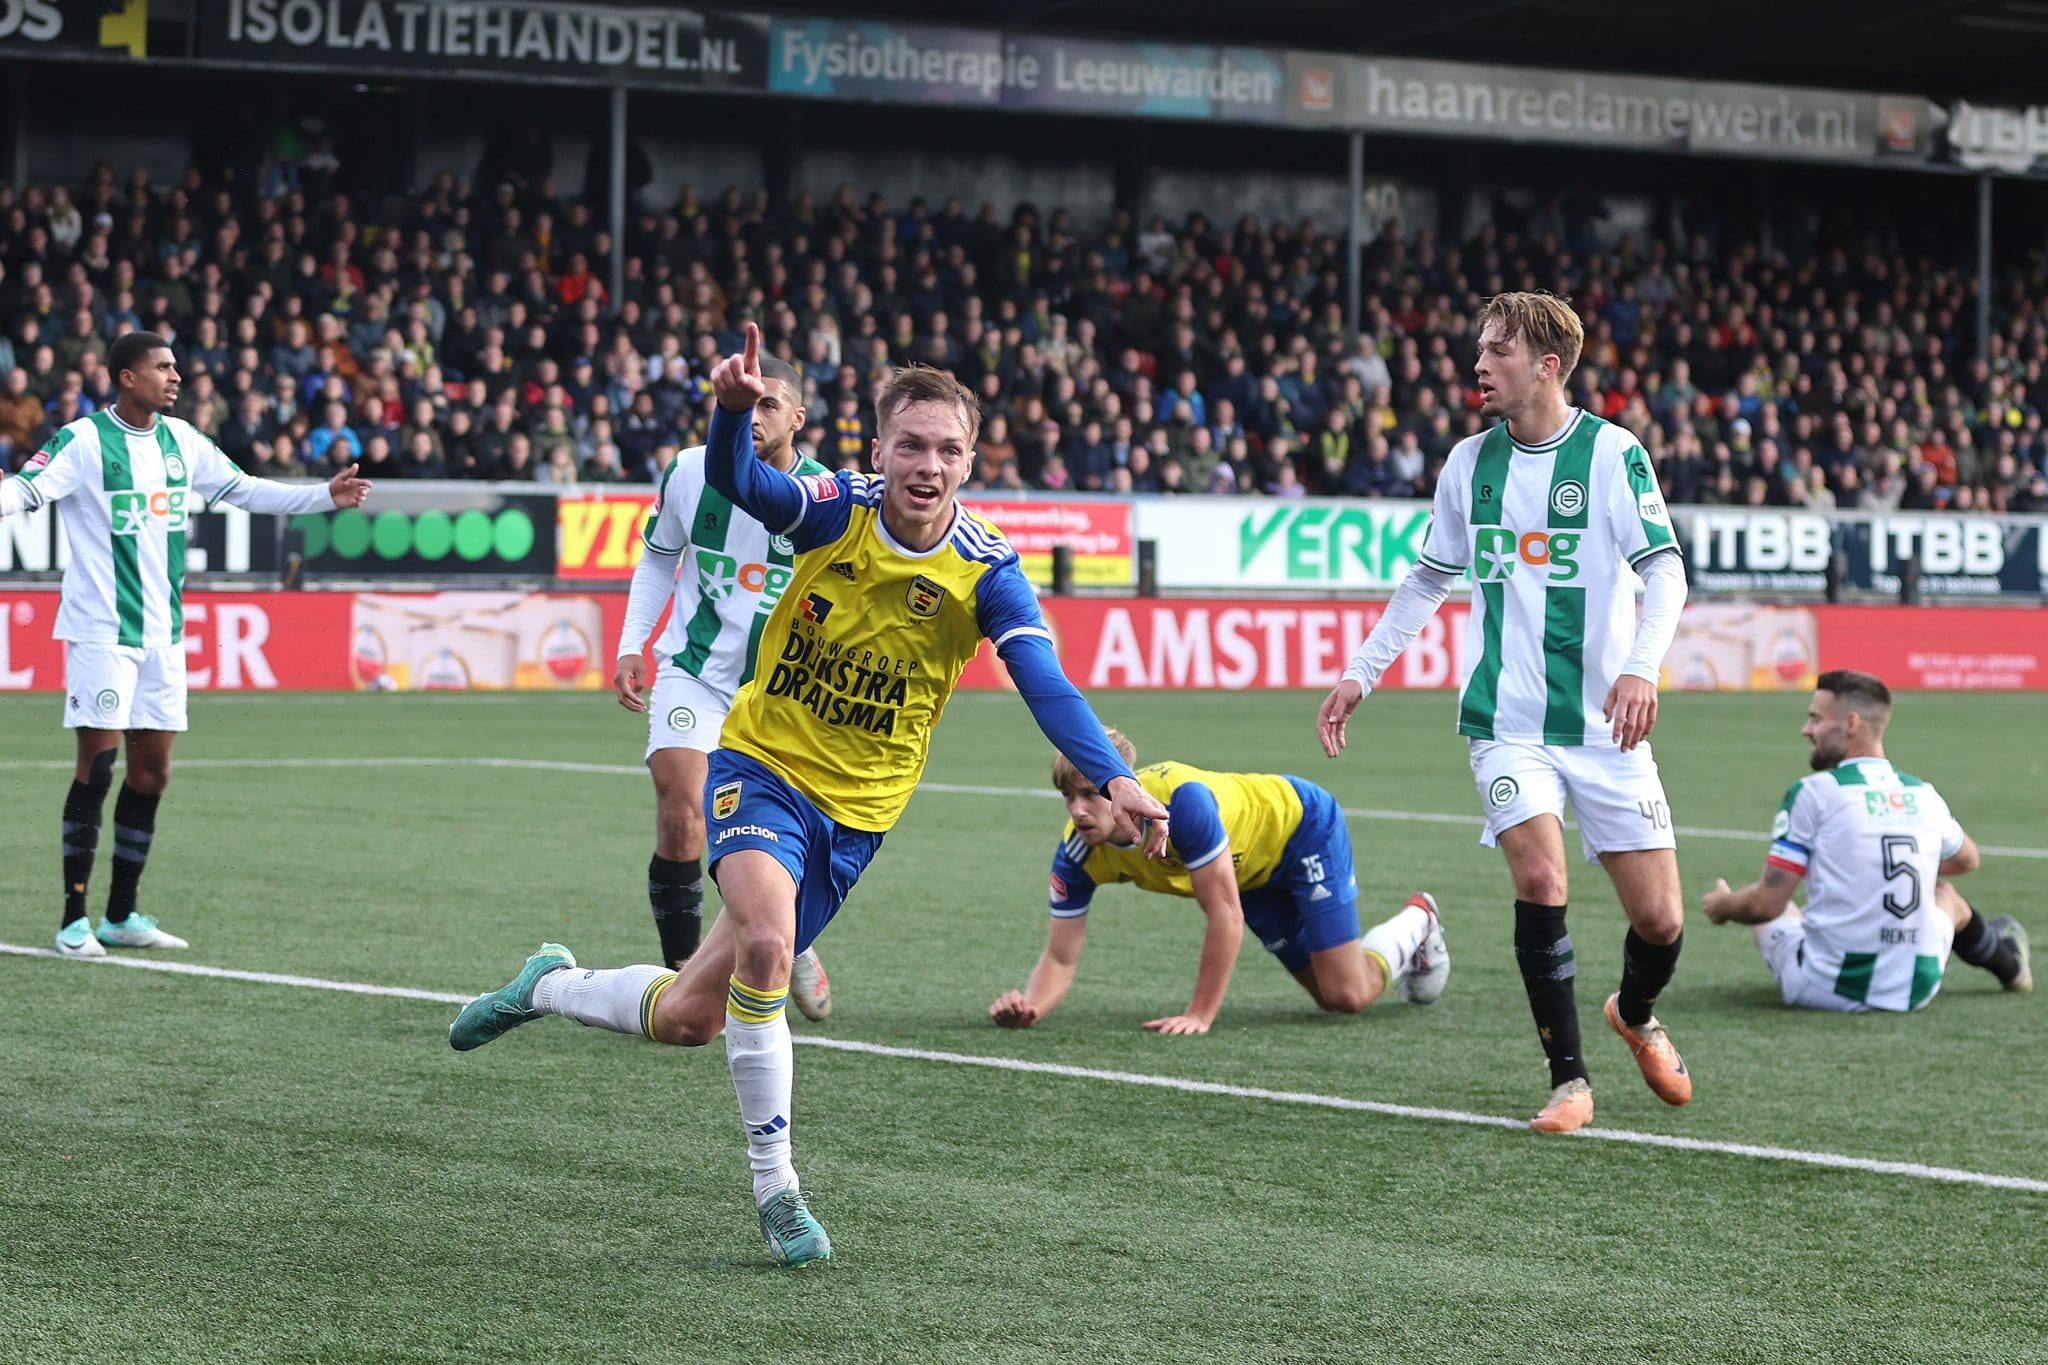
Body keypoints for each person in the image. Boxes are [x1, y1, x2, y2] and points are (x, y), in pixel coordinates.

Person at [451, 325, 1169, 1268]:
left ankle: (547, 981)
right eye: (909, 444)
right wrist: (728, 411)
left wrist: (1113, 775)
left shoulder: (986, 569)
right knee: (768, 945)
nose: (927, 464)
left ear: (971, 462)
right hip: (760, 764)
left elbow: (1043, 678)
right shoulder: (837, 507)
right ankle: (778, 1188)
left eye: (947, 449)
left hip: (861, 814)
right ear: (878, 451)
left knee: (690, 1018)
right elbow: (751, 487)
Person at [1315, 291, 1692, 1135]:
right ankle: (1569, 1081)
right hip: (1506, 718)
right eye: (1480, 349)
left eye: (1497, 352)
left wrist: (1641, 670)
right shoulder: (1467, 463)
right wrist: (1360, 674)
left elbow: (1664, 570)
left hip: (1605, 724)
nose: (1478, 365)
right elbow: (1428, 578)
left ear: (1547, 366)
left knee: (1661, 920)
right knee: (1540, 880)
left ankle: (1634, 1011)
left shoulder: (1611, 454)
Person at [0, 331, 371, 958]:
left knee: (154, 772)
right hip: (101, 632)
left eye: (176, 365)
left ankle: (121, 915)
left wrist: (321, 496)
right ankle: (73, 919)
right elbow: (24, 490)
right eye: (162, 367)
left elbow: (246, 489)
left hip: (164, 636)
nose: (176, 377)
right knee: (98, 766)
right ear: (125, 377)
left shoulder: (182, 441)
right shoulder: (85, 440)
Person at [612, 350, 831, 1018]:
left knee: (774, 836)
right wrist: (631, 645)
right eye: (747, 401)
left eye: (771, 404)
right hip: (695, 675)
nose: (756, 415)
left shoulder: (828, 497)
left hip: (780, 697)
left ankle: (788, 934)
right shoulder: (686, 471)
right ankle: (680, 974)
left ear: (799, 416)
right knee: (682, 809)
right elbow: (658, 558)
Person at [990, 730, 1448, 1035]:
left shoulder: (1183, 806)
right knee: (1333, 998)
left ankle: (1419, 918)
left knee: (1349, 994)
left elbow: (1225, 915)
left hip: (1301, 829)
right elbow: (1060, 958)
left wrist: (1199, 1015)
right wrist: (1031, 1007)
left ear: (1122, 784)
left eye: (1091, 793)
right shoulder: (1078, 852)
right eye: (1068, 796)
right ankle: (1405, 938)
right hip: (1249, 876)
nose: (1077, 810)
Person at [1702, 670, 2031, 1008]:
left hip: (1824, 989)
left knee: (1781, 906)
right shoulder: (1923, 794)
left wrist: (1723, 906)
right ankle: (2013, 970)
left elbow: (1765, 905)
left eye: (1815, 719)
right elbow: (1968, 860)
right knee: (1945, 895)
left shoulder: (1813, 793)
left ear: (1850, 723)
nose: (1806, 730)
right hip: (1914, 989)